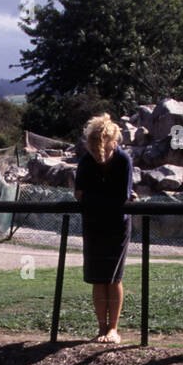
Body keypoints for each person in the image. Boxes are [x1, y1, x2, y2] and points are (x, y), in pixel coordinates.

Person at [73, 114, 138, 344]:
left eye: (105, 153)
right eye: (94, 153)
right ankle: (101, 328)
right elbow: (78, 195)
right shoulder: (85, 161)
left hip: (117, 226)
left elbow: (118, 198)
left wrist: (93, 198)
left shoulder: (123, 160)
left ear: (114, 144)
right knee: (96, 278)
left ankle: (113, 328)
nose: (99, 158)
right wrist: (107, 198)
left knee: (113, 277)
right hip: (93, 225)